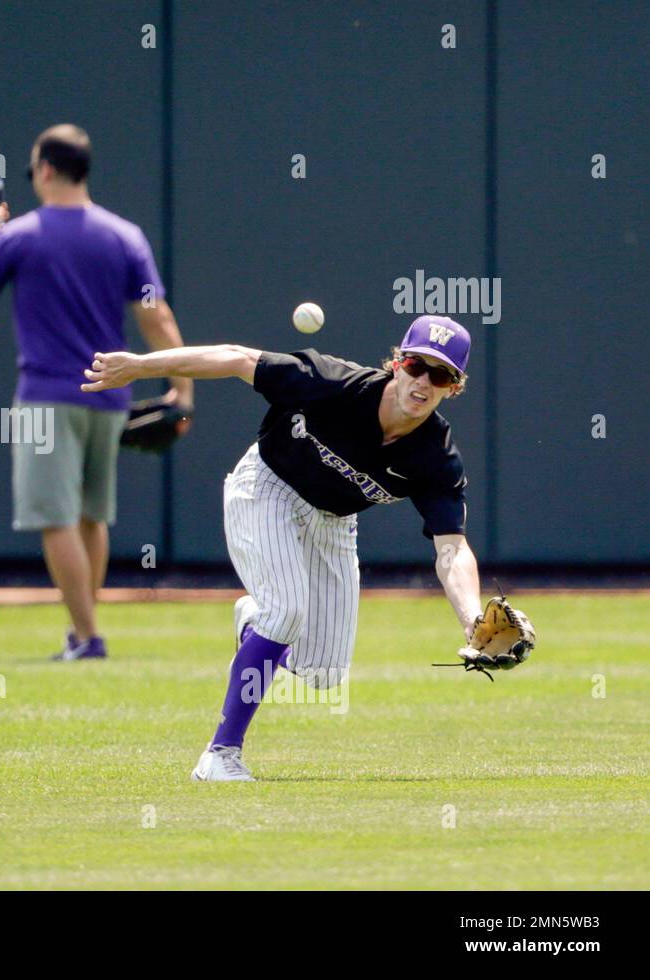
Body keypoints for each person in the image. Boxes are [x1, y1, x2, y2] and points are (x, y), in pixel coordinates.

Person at [82, 316, 482, 778]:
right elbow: (236, 357)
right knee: (287, 610)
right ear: (396, 363)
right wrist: (138, 367)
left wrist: (472, 620)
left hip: (333, 521)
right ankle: (220, 755)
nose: (423, 381)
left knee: (322, 673)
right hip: (267, 487)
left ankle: (256, 624)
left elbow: (451, 549)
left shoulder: (436, 456)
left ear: (454, 387)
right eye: (417, 365)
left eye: (441, 375)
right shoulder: (333, 382)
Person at [0, 124, 192, 660]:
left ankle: (87, 637)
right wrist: (182, 389)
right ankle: (83, 630)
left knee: (56, 518)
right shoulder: (124, 236)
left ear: (45, 170)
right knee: (91, 516)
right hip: (110, 393)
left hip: (47, 398)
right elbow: (156, 314)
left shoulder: (21, 235)